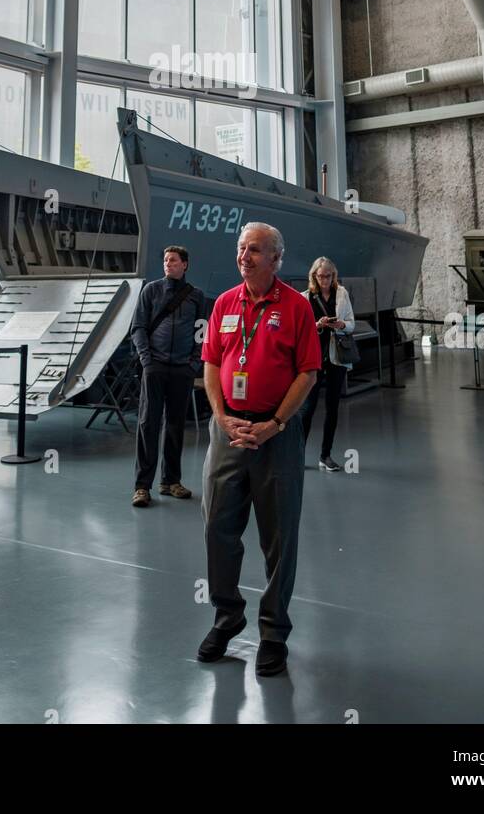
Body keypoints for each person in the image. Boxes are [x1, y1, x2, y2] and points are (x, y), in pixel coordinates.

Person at [198, 222, 320, 677]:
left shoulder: (296, 307)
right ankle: (227, 617)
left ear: (275, 258)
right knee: (217, 528)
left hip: (277, 434)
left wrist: (275, 424)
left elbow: (307, 372)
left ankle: (273, 632)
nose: (243, 256)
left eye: (254, 250)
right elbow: (211, 362)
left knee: (279, 537)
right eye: (240, 248)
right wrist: (220, 415)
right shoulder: (225, 304)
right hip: (228, 429)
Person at [130, 246, 202, 508]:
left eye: (173, 260)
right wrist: (147, 360)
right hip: (155, 366)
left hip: (182, 369)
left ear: (185, 264)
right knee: (148, 424)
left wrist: (193, 363)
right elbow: (137, 327)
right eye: (165, 260)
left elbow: (201, 333)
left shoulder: (196, 296)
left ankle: (170, 481)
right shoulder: (151, 291)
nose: (167, 264)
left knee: (175, 426)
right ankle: (142, 486)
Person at [301, 257, 355, 473]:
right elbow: (301, 330)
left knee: (333, 407)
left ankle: (326, 455)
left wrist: (341, 324)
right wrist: (318, 325)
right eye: (321, 276)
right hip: (313, 358)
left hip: (336, 357)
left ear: (334, 275)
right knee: (307, 408)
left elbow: (351, 323)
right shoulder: (305, 298)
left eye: (329, 275)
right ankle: (298, 454)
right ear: (314, 276)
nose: (324, 280)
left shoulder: (341, 294)